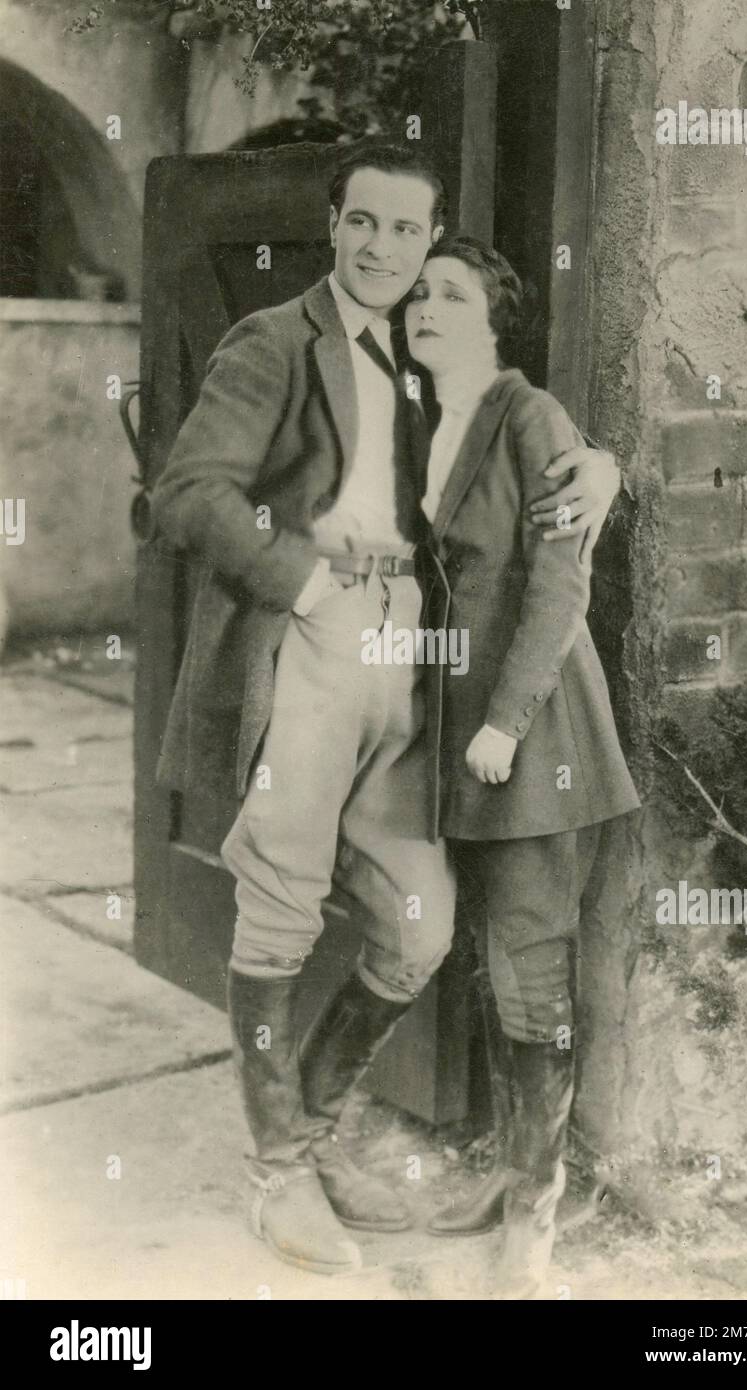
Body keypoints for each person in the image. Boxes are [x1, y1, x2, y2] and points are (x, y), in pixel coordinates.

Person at [150, 144, 622, 1279]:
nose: (380, 249)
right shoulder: (273, 338)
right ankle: (280, 1169)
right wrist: (302, 577)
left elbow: (513, 434)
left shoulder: (421, 359)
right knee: (277, 909)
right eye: (361, 224)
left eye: (404, 233)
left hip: (415, 662)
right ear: (331, 223)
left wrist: (602, 465)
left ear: (426, 243)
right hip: (314, 639)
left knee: (417, 925)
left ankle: (311, 1133)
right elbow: (185, 493)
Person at [403, 236, 641, 1298]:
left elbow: (558, 584)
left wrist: (499, 722)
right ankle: (509, 1180)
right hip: (458, 741)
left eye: (450, 293)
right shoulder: (416, 422)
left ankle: (530, 1228)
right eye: (415, 294)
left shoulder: (527, 415)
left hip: (534, 737)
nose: (424, 307)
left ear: (494, 319)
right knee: (479, 959)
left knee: (529, 975)